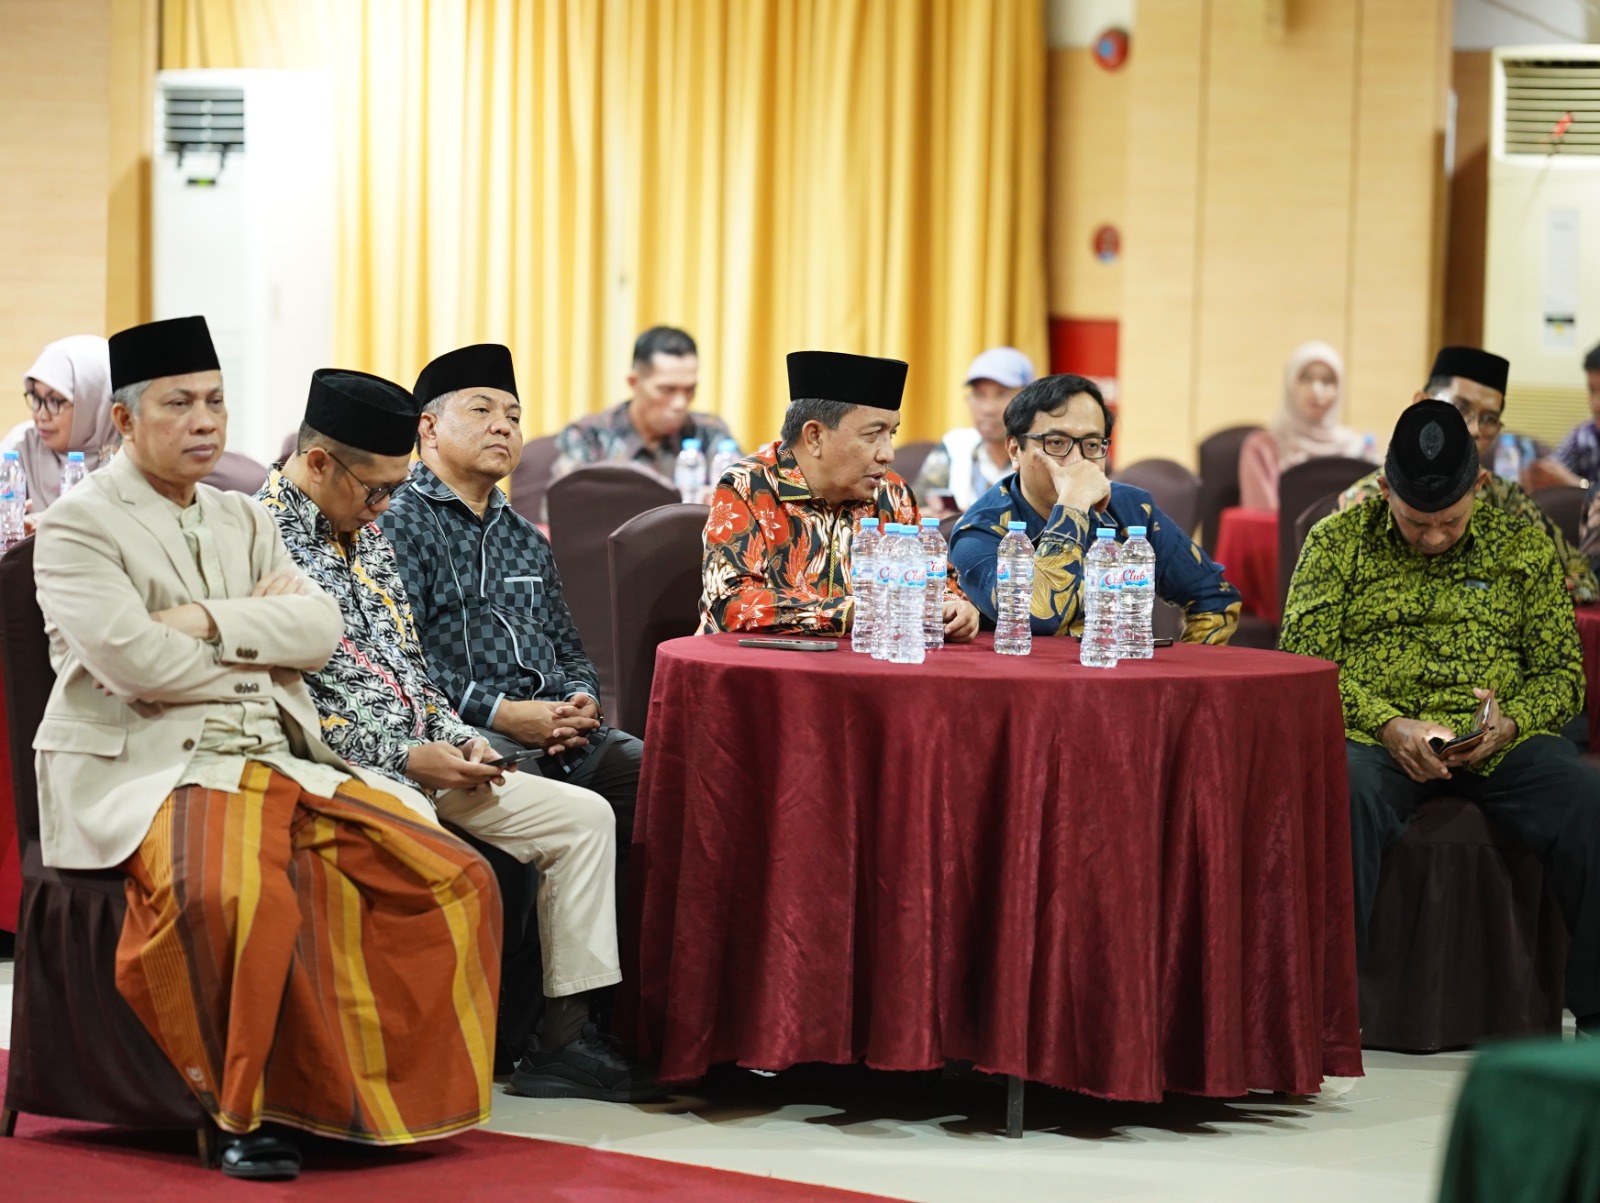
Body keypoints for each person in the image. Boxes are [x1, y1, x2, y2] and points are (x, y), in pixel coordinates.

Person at [32, 316, 501, 1180]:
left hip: (271, 752)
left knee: (451, 872)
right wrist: (256, 650)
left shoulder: (241, 518)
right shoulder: (78, 526)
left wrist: (206, 622)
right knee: (232, 894)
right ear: (127, 421)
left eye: (215, 400)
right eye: (179, 403)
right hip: (148, 763)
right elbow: (132, 660)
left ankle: (346, 1099)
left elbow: (315, 630)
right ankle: (232, 1111)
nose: (206, 420)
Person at [259, 364, 661, 1104]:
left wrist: (460, 735)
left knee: (594, 811)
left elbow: (411, 667)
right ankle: (458, 1046)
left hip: (441, 755)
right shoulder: (263, 542)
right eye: (376, 489)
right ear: (319, 462)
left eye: (515, 413)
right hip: (356, 770)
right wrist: (460, 736)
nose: (384, 506)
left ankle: (569, 1038)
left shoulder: (376, 529)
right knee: (487, 832)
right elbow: (297, 703)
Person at [1281, 400, 1600, 1036]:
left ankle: (1595, 1013)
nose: (1431, 537)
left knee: (1589, 802)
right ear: (1384, 489)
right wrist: (1385, 723)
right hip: (1377, 739)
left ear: (1479, 487)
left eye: (1448, 522)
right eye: (1413, 521)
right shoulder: (1337, 542)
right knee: (1342, 792)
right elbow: (1303, 662)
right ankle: (1322, 1018)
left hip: (1497, 741)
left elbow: (1565, 677)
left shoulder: (1522, 546)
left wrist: (1509, 723)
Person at [380, 345, 646, 895]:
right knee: (525, 795)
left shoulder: (525, 537)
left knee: (660, 780)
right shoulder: (396, 522)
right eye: (482, 411)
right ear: (428, 428)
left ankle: (634, 976)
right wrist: (507, 714)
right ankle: (526, 981)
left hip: (558, 734)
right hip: (467, 735)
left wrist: (582, 701)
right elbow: (402, 656)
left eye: (515, 417)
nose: (503, 426)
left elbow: (569, 645)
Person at [698, 349, 981, 640]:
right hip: (755, 671)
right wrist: (849, 613)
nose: (888, 454)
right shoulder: (749, 485)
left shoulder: (891, 493)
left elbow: (936, 578)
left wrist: (955, 606)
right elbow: (732, 604)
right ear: (815, 437)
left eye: (891, 434)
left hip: (861, 669)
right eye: (873, 435)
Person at [950, 373, 1240, 643]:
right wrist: (1072, 505)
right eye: (1056, 442)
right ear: (1015, 450)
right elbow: (1037, 616)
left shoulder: (1131, 509)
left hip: (1119, 684)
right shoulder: (978, 532)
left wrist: (1183, 682)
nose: (1077, 460)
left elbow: (1214, 597)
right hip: (1027, 690)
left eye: (1091, 445)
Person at [1337, 346, 1598, 604]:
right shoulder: (1370, 499)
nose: (1474, 429)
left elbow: (1583, 580)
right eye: (1460, 407)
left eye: (1488, 419)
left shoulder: (1505, 498)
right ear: (1422, 403)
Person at [552, 325, 737, 483]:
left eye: (689, 390)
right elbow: (563, 510)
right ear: (634, 383)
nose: (680, 403)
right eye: (667, 390)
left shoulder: (709, 433)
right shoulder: (589, 436)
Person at [1237, 341, 1371, 511]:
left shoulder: (1358, 448)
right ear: (1290, 384)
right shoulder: (1262, 448)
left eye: (1327, 381)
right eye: (1306, 378)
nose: (1316, 390)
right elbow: (1263, 520)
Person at [913, 346, 1036, 514]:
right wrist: (928, 517)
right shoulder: (955, 445)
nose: (988, 409)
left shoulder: (1041, 455)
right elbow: (913, 505)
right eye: (979, 395)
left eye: (1001, 394)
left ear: (1029, 401)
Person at [18, 334, 120, 520]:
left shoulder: (131, 458)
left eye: (54, 401)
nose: (40, 415)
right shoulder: (22, 446)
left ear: (93, 402)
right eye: (35, 398)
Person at [1553, 341, 1600, 485]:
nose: (1596, 404)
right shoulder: (1583, 436)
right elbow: (1553, 469)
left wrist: (1578, 484)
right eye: (1592, 390)